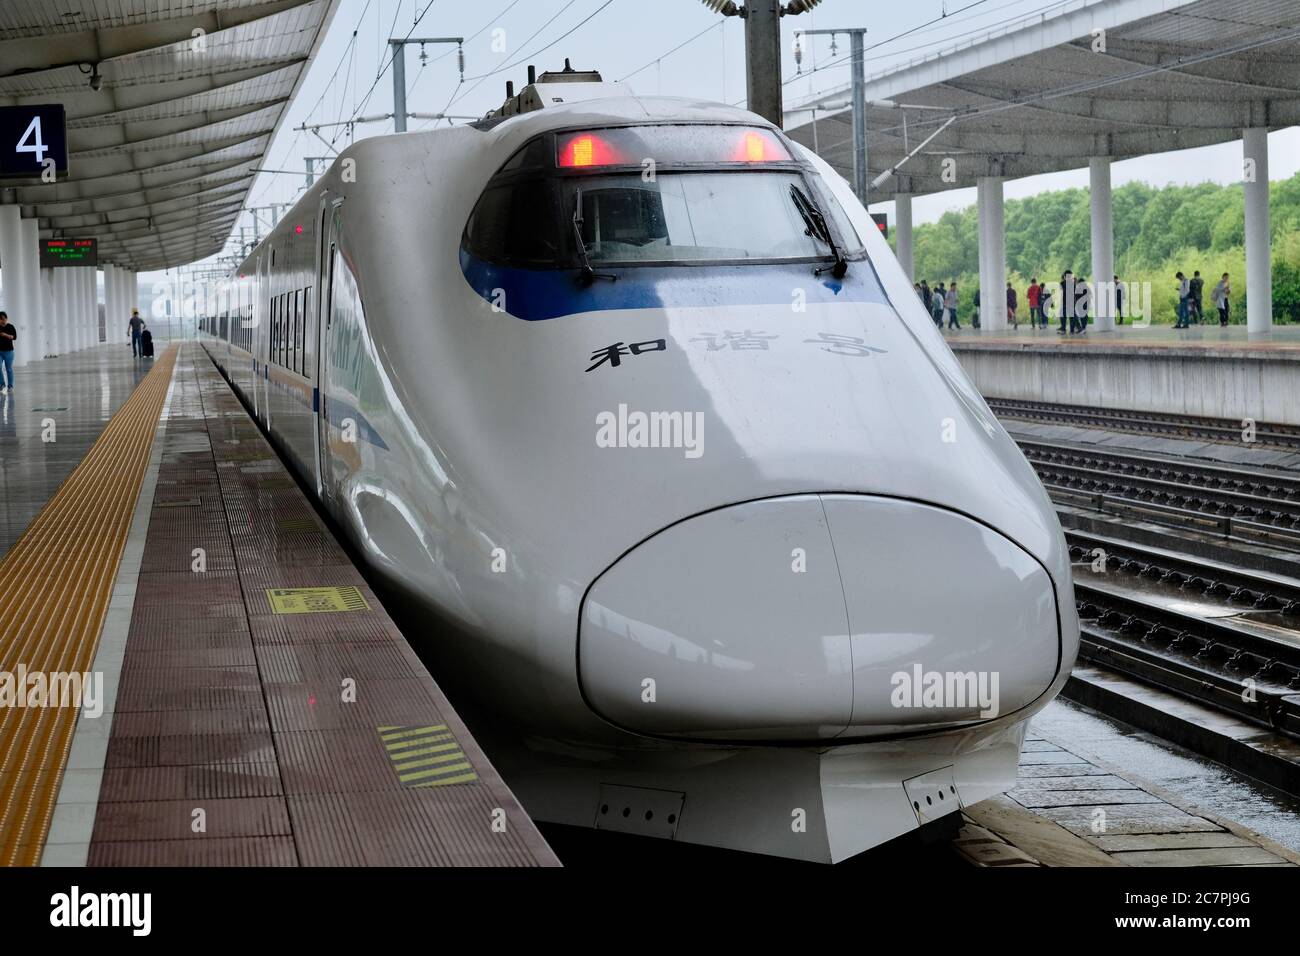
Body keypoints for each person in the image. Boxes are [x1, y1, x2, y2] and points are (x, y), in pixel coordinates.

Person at [0, 311, 15, 394]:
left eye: (4, 319)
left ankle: (10, 385)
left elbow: (14, 337)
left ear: (6, 319)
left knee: (8, 369)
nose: (2, 321)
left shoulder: (10, 327)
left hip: (9, 352)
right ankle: (2, 384)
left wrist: (5, 335)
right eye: (0, 319)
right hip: (0, 352)